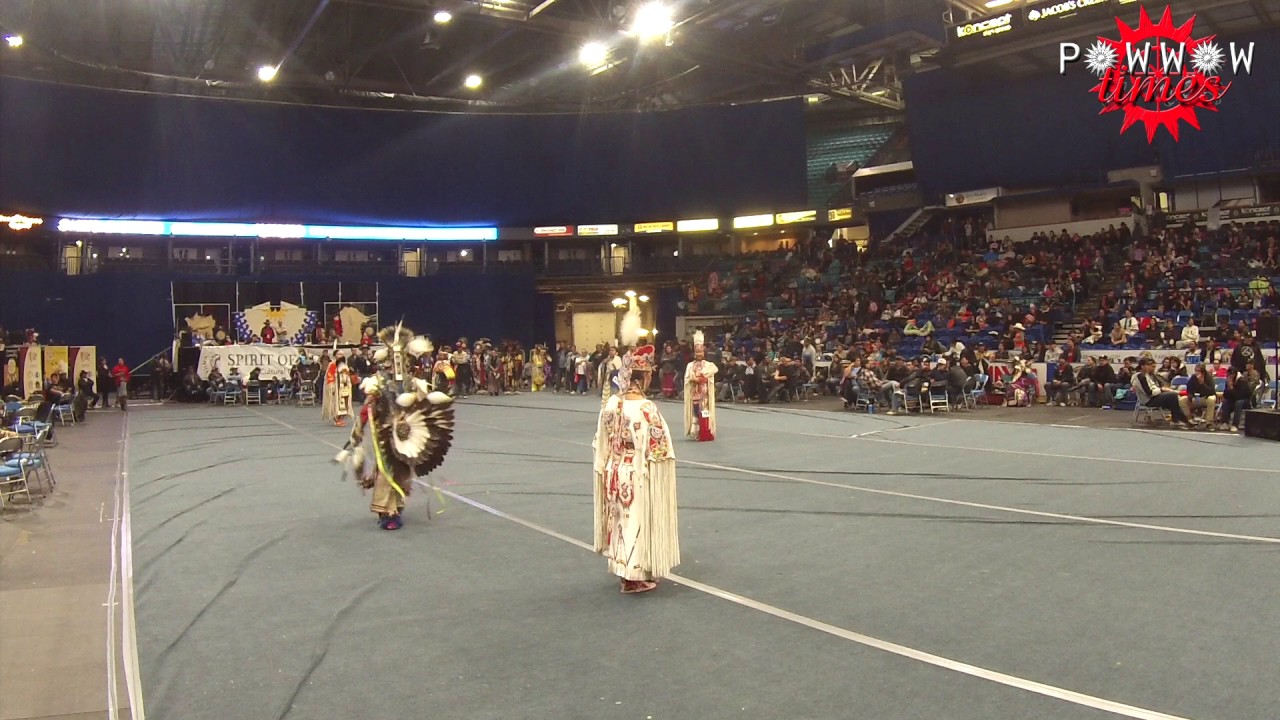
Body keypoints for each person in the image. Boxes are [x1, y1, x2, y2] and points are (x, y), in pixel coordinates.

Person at [335, 325, 455, 531]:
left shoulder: (413, 383)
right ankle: (386, 511)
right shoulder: (378, 381)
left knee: (403, 470)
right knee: (386, 470)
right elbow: (367, 409)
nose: (398, 363)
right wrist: (357, 434)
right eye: (394, 359)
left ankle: (397, 507)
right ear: (388, 360)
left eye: (402, 359)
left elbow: (424, 404)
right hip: (384, 431)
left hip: (408, 433)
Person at [592, 344, 679, 594]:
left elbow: (601, 441)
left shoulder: (611, 405)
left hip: (613, 471)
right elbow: (660, 450)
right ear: (644, 377)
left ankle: (624, 570)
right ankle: (632, 577)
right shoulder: (646, 409)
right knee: (634, 522)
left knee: (619, 520)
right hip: (636, 472)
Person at [682, 331, 718, 441]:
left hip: (705, 393)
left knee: (704, 412)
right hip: (694, 393)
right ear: (694, 353)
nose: (699, 354)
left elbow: (711, 374)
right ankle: (695, 432)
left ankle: (705, 431)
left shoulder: (708, 365)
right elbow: (687, 378)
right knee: (695, 412)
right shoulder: (690, 365)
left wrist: (701, 378)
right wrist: (693, 379)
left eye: (701, 352)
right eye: (697, 352)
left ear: (703, 352)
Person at [321, 352, 354, 426]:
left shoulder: (344, 365)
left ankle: (341, 418)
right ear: (335, 356)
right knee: (335, 403)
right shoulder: (332, 364)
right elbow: (329, 376)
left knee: (345, 403)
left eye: (342, 354)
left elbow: (347, 375)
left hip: (344, 387)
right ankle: (337, 419)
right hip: (336, 387)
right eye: (339, 354)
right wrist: (331, 386)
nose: (341, 356)